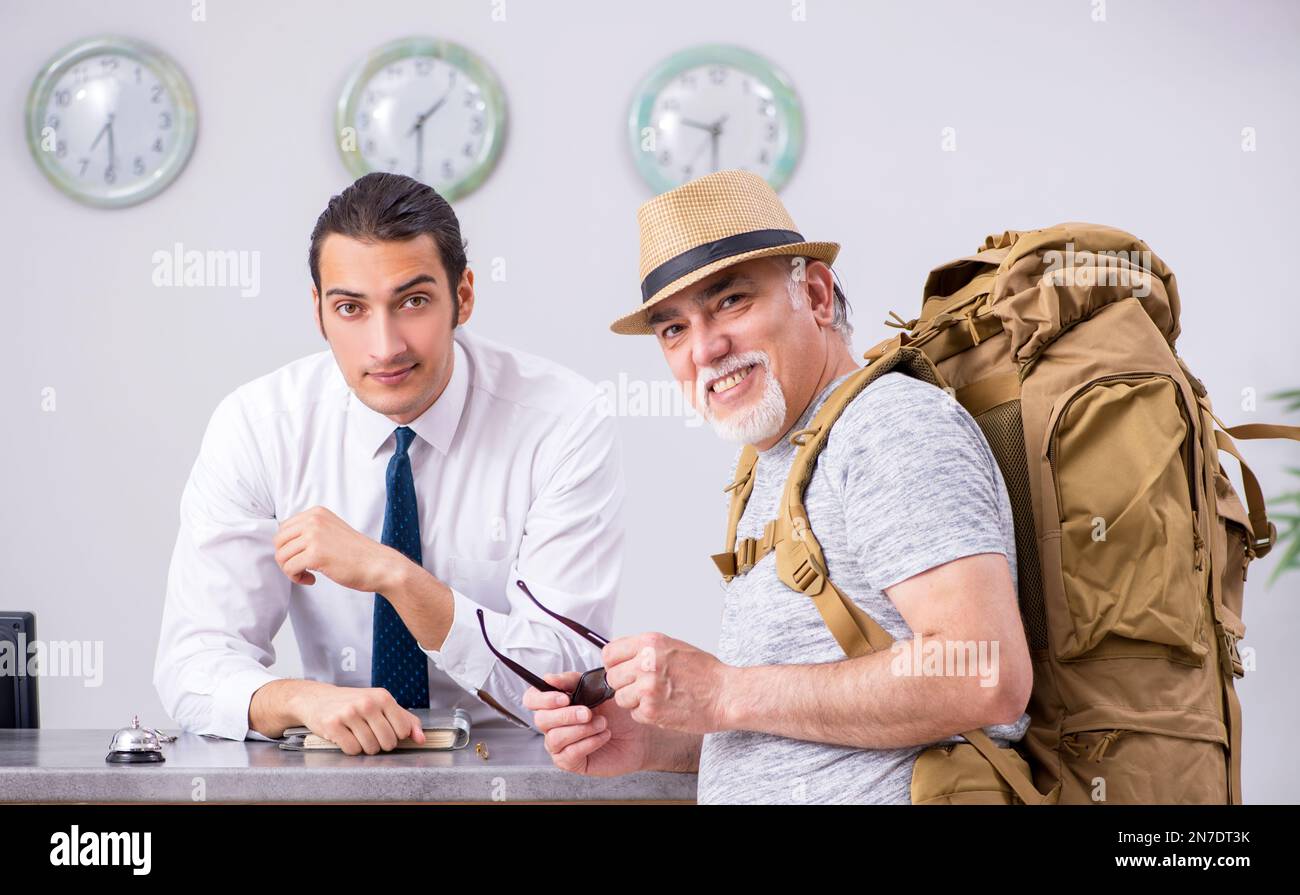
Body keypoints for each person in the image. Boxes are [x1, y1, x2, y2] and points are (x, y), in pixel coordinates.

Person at [524, 169, 1031, 803]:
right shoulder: (778, 460)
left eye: (731, 301)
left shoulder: (890, 427)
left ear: (816, 295)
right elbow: (803, 725)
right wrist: (660, 740)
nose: (704, 349)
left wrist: (724, 690)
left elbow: (985, 672)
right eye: (673, 328)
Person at [154, 172, 624, 754]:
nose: (386, 346)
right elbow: (193, 661)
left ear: (464, 296)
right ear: (319, 313)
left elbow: (566, 682)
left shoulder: (562, 421)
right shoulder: (257, 426)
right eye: (351, 308)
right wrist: (300, 699)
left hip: (519, 771)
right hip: (333, 767)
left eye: (414, 301)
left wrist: (397, 578)